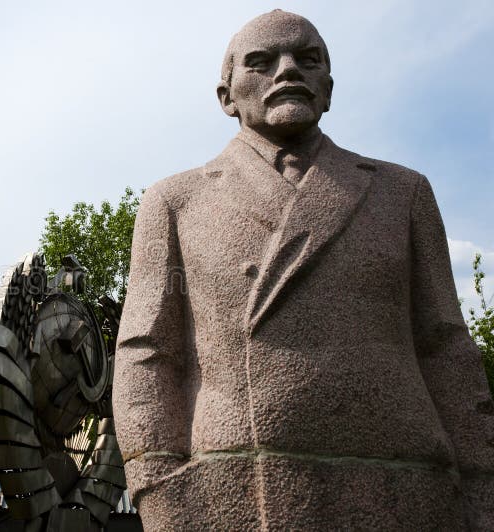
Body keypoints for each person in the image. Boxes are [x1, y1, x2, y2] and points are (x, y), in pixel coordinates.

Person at [113, 10, 494, 530]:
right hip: (232, 482)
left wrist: (480, 480)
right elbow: (147, 352)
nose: (288, 71)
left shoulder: (402, 191)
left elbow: (446, 344)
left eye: (307, 59)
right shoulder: (175, 201)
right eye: (262, 62)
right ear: (226, 98)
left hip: (407, 480)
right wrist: (157, 485)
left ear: (328, 88)